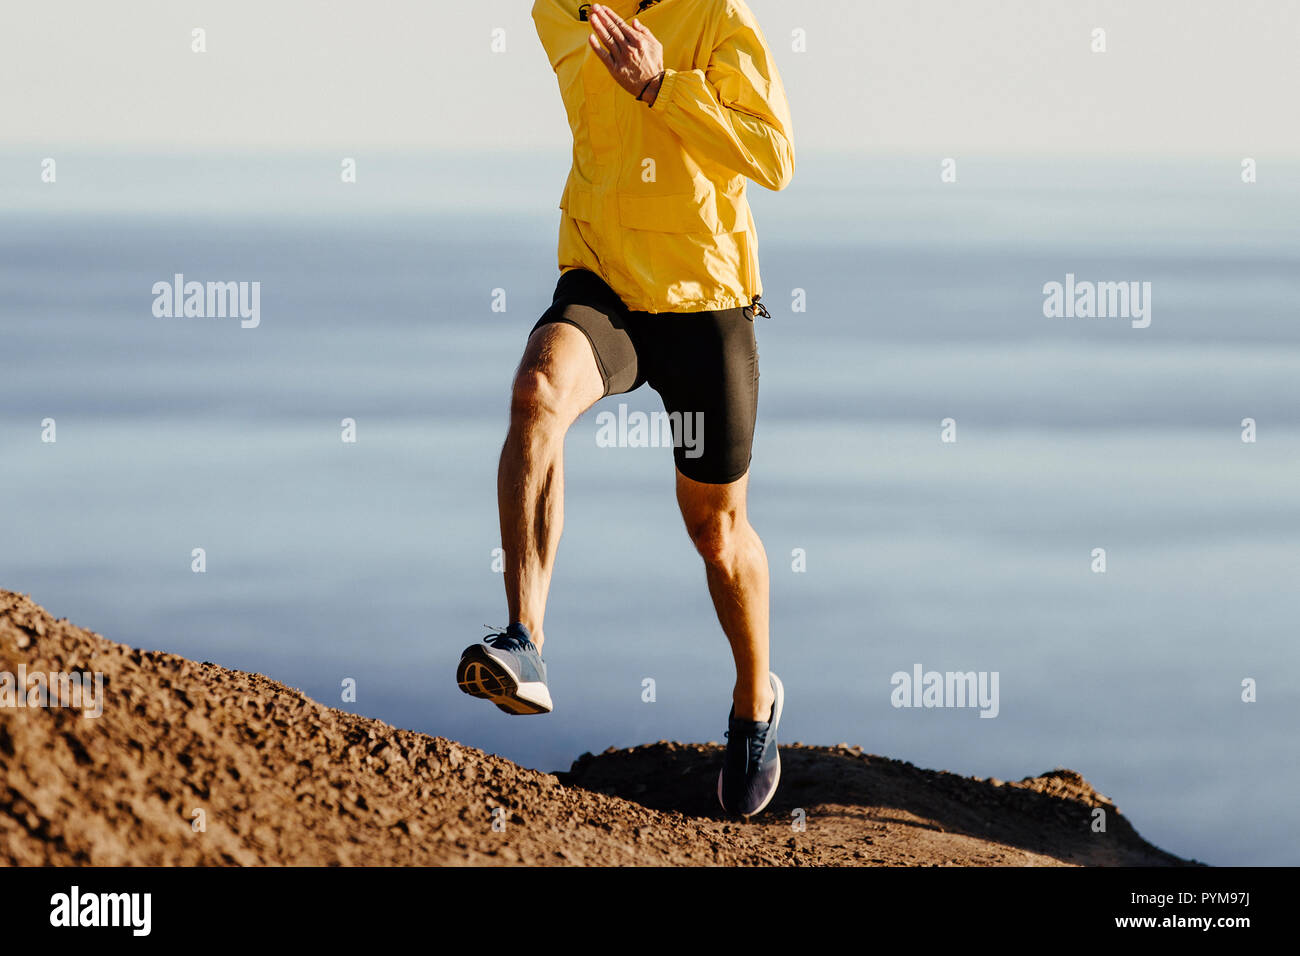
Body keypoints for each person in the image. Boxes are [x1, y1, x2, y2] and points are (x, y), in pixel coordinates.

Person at [457, 0, 794, 818]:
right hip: (603, 282)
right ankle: (525, 643)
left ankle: (755, 704)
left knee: (716, 533)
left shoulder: (714, 13)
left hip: (704, 300)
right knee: (537, 392)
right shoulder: (558, 13)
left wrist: (660, 87)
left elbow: (772, 156)